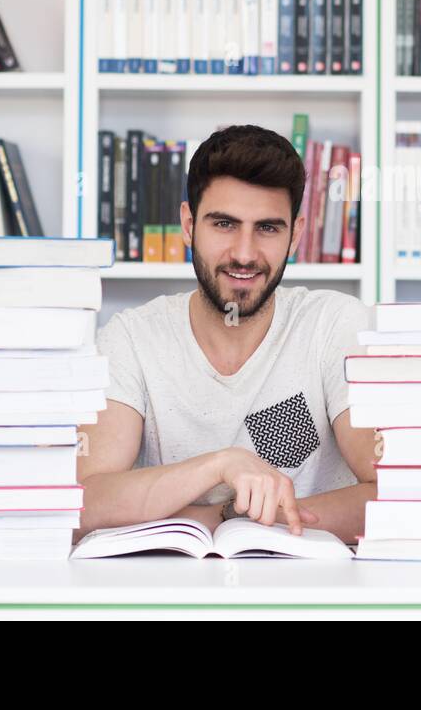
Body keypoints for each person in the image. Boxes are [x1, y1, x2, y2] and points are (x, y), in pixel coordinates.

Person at [77, 124, 375, 543]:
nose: (244, 253)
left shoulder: (335, 326)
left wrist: (228, 520)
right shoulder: (131, 338)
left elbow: (396, 494)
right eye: (224, 224)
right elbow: (83, 504)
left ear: (296, 236)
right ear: (187, 225)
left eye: (268, 228)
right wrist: (220, 465)